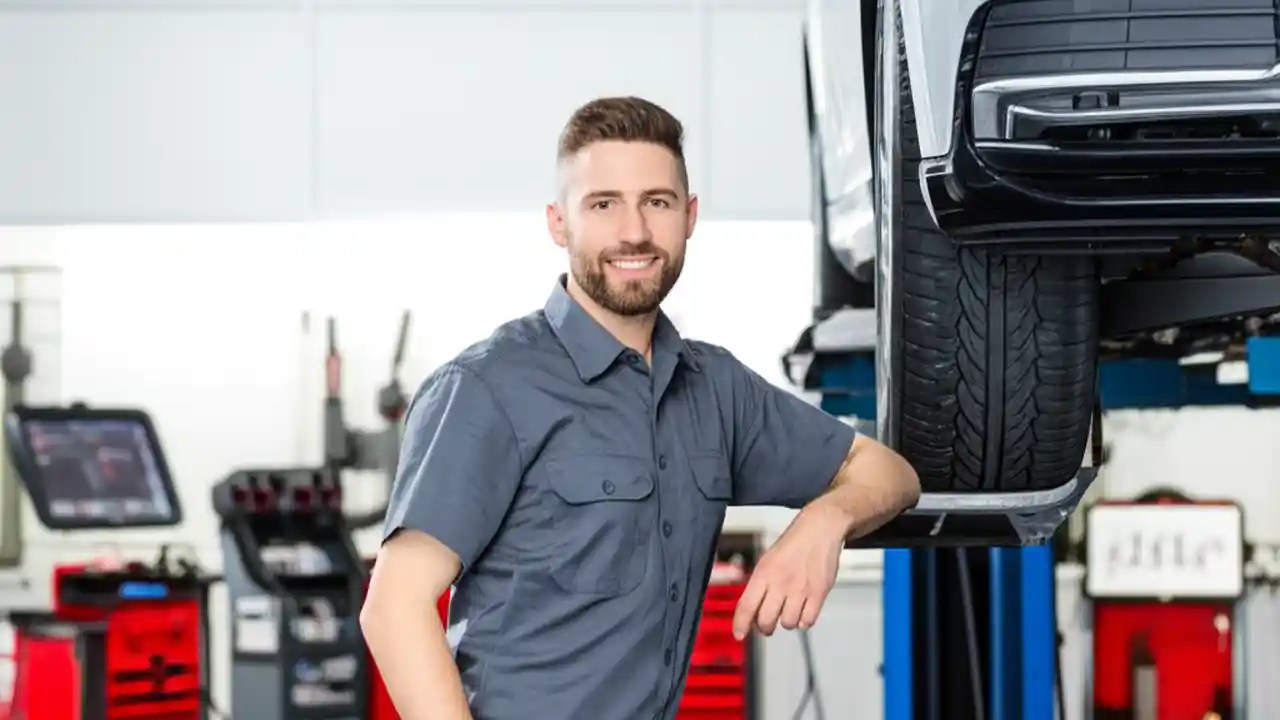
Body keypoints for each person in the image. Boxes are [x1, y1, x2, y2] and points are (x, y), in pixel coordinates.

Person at [360, 95, 921, 720]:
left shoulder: (715, 389)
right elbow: (395, 608)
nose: (634, 231)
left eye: (657, 202)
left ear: (689, 216)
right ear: (558, 223)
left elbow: (890, 473)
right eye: (603, 205)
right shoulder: (487, 388)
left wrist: (823, 523)